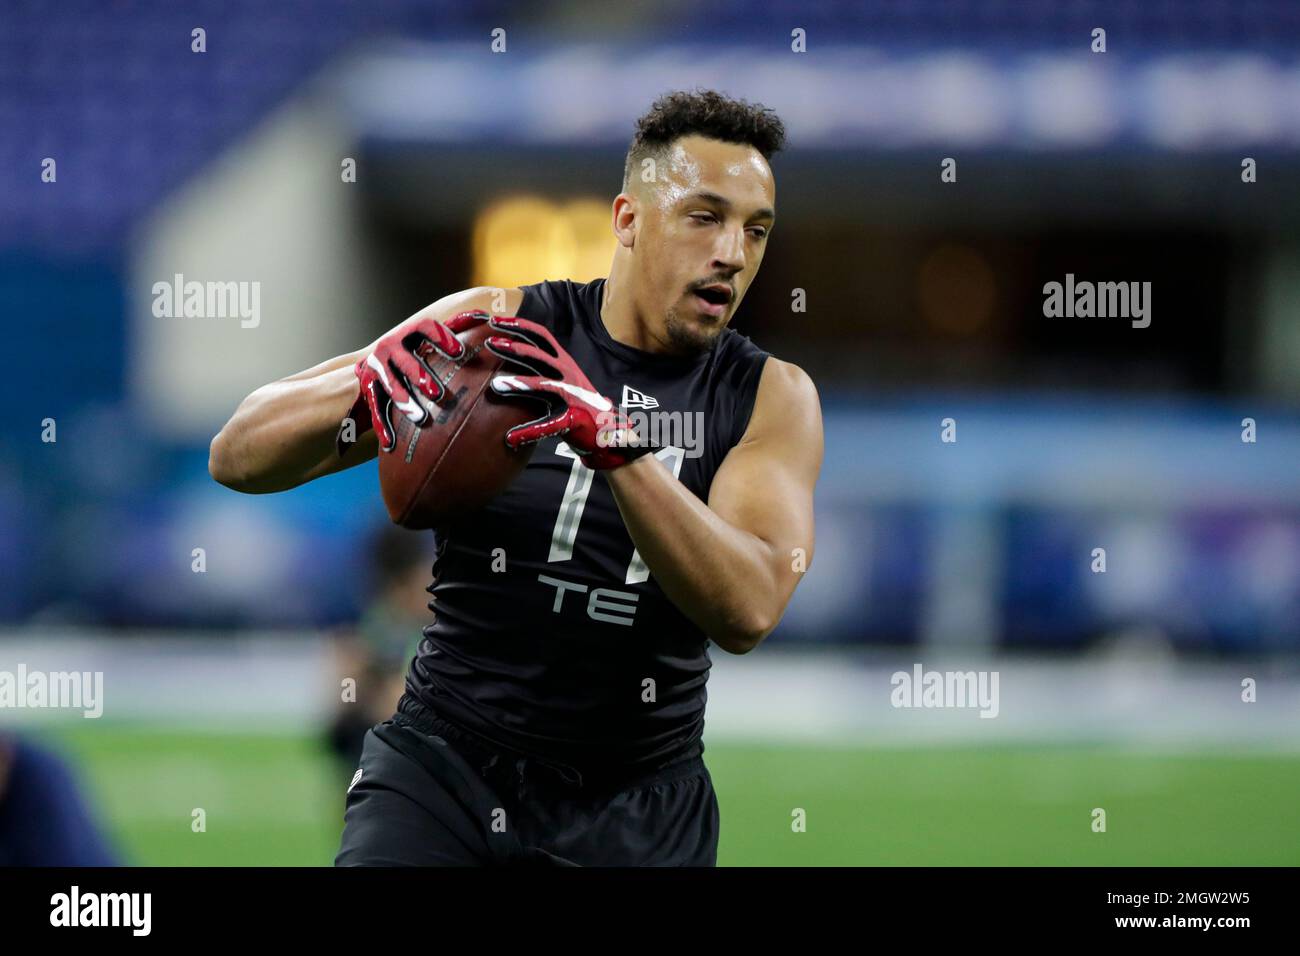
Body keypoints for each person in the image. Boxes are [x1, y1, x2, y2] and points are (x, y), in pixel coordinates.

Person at [210, 89, 823, 866]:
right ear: (629, 221)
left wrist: (618, 450)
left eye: (755, 229)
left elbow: (750, 607)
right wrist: (368, 379)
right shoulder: (502, 329)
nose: (733, 253)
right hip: (446, 770)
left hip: (638, 803)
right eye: (704, 216)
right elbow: (235, 455)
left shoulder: (771, 397)